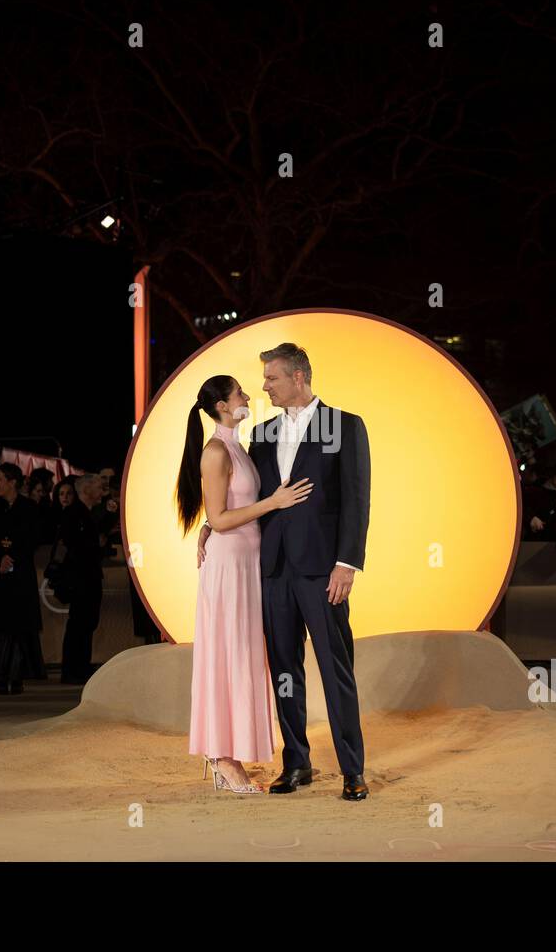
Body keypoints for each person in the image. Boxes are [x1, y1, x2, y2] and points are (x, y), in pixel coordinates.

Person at [237, 342, 372, 800]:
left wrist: (347, 563)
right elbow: (251, 499)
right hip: (273, 570)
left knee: (337, 670)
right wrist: (211, 525)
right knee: (284, 670)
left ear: (298, 377)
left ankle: (353, 770)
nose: (264, 386)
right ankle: (296, 764)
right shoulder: (263, 432)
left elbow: (357, 499)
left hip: (323, 571)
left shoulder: (346, 425)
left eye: (271, 378)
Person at [179, 376, 312, 795]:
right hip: (228, 565)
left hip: (247, 562)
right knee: (227, 653)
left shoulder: (237, 445)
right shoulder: (216, 451)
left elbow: (220, 514)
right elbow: (220, 519)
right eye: (239, 393)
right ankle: (222, 758)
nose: (248, 397)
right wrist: (273, 502)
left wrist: (210, 525)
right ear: (221, 405)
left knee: (243, 654)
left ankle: (227, 754)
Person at [0, 463, 45, 694]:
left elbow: (32, 539)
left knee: (19, 627)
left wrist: (12, 558)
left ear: (12, 482)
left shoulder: (29, 508)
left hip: (20, 577)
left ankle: (16, 677)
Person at [50, 474, 108, 685]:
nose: (102, 492)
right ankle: (73, 668)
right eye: (98, 488)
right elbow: (71, 547)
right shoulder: (74, 514)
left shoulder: (85, 514)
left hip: (87, 577)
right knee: (79, 623)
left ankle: (80, 665)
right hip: (81, 578)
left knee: (86, 623)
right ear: (86, 490)